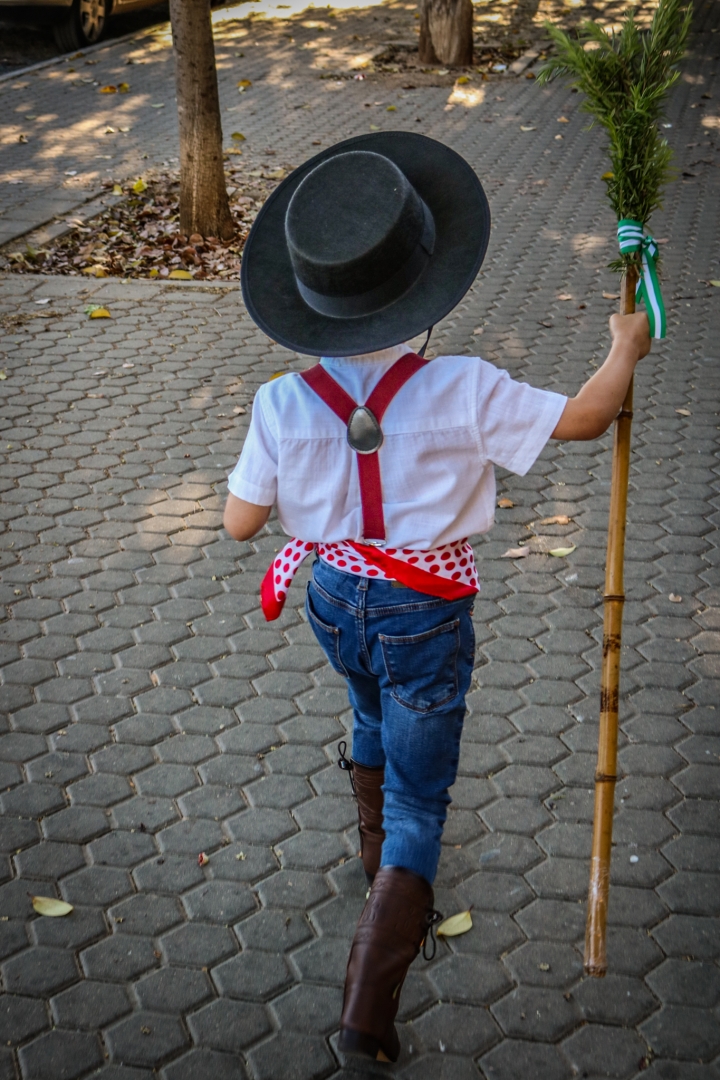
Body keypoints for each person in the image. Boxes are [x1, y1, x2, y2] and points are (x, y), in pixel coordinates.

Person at [223, 133, 651, 1063]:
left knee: (365, 704)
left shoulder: (279, 402)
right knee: (423, 800)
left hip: (332, 598)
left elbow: (239, 524)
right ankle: (365, 1017)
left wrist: (308, 491)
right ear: (425, 285)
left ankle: (376, 865)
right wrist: (623, 349)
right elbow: (586, 418)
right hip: (424, 611)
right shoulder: (462, 386)